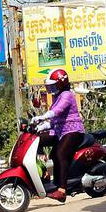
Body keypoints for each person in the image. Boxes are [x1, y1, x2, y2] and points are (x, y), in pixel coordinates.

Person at [32, 68, 83, 203]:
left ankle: (62, 190)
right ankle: (53, 182)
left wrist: (42, 117)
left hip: (73, 130)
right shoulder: (56, 96)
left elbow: (57, 111)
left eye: (53, 85)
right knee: (47, 148)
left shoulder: (67, 95)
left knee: (60, 154)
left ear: (60, 83)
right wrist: (41, 126)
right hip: (60, 130)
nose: (51, 88)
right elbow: (54, 120)